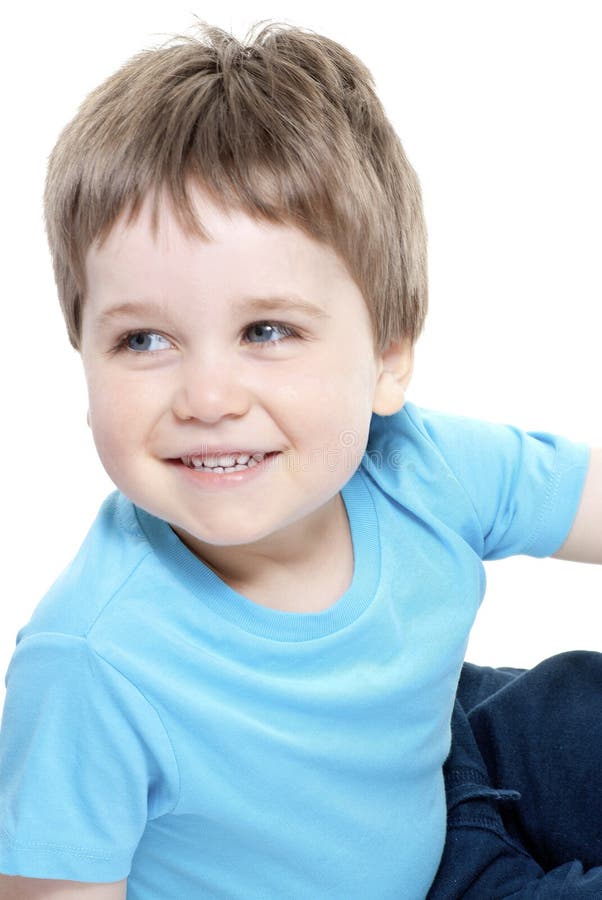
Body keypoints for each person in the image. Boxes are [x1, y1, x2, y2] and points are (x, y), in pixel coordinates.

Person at [0, 20, 600, 900]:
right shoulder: (93, 663)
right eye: (143, 339)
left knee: (579, 707)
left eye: (266, 330)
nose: (208, 397)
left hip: (444, 765)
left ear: (388, 358)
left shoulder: (418, 467)